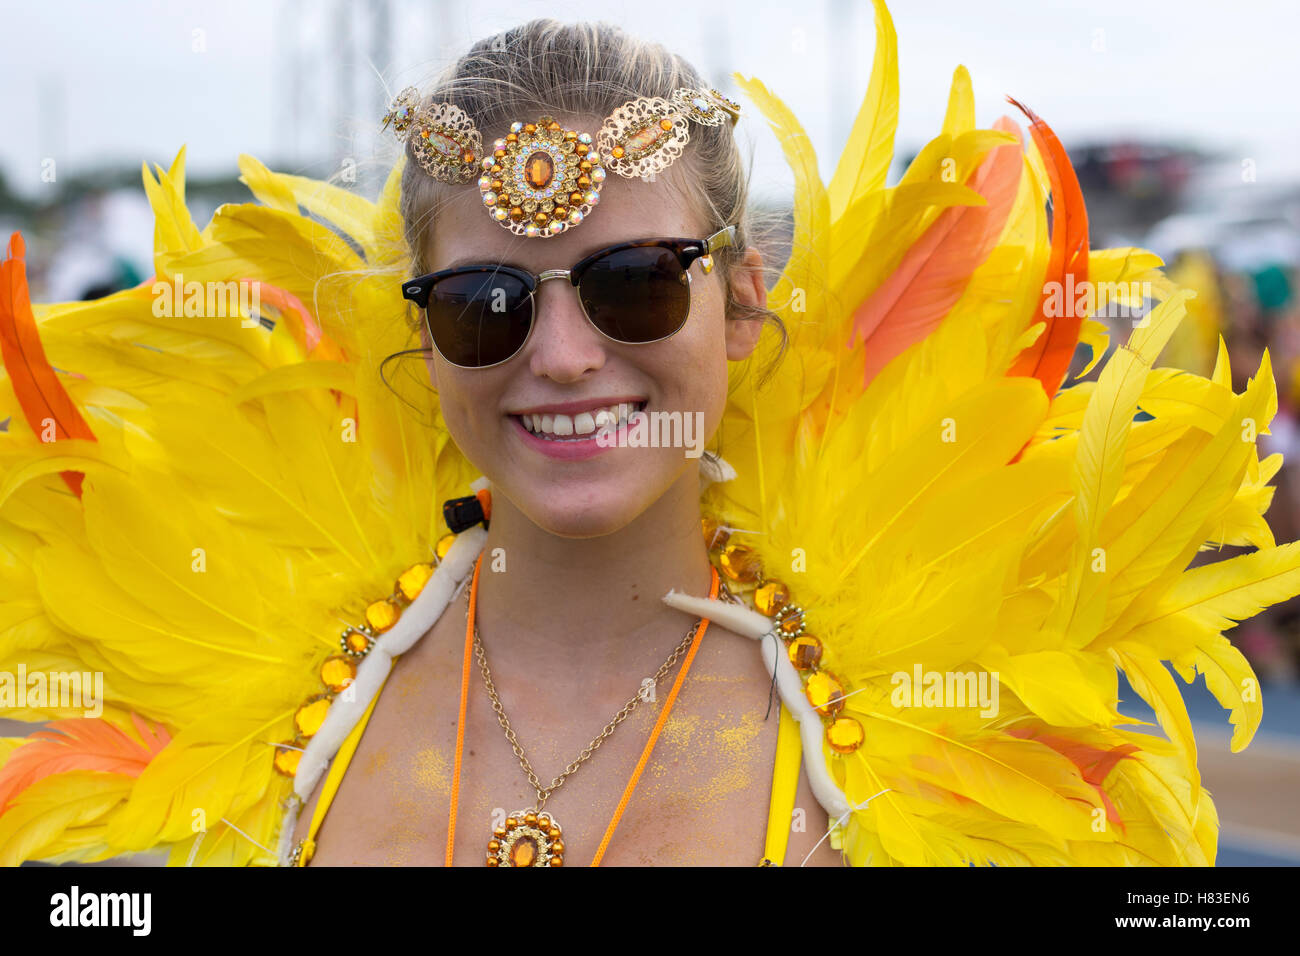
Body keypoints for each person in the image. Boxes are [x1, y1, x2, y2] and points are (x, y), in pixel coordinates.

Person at [1, 1, 1296, 868]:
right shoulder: (265, 724)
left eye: (632, 284)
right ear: (423, 344)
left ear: (739, 306)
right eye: (486, 306)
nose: (562, 356)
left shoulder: (922, 756)